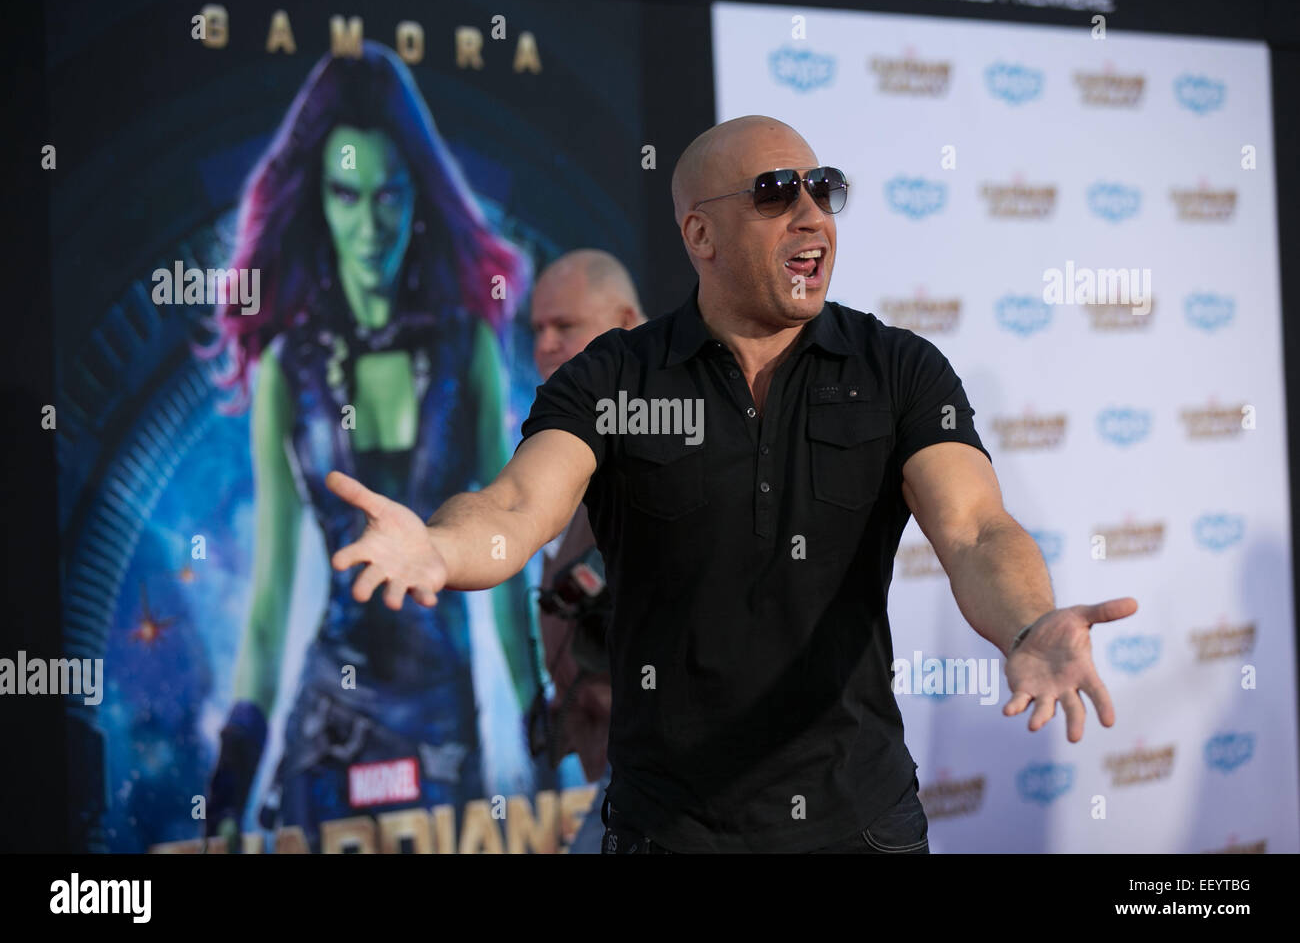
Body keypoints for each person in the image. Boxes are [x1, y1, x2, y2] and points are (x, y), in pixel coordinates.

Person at [325, 114, 1137, 853]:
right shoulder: (614, 378)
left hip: (860, 825)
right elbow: (515, 506)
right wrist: (437, 546)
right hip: (671, 833)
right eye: (777, 194)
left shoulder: (898, 370)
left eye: (824, 190)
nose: (812, 214)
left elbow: (975, 529)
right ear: (701, 234)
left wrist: (1027, 624)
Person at [202, 42, 539, 852]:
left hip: (444, 721)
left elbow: (502, 559)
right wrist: (228, 791)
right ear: (317, 201)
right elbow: (272, 597)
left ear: (416, 196)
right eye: (345, 195)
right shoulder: (290, 368)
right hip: (331, 724)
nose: (369, 224)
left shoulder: (470, 347)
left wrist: (542, 729)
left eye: (388, 194)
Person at [528, 249, 644, 852]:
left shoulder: (676, 433)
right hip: (615, 767)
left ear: (625, 321)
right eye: (537, 330)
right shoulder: (572, 436)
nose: (546, 344)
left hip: (675, 774)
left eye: (564, 326)